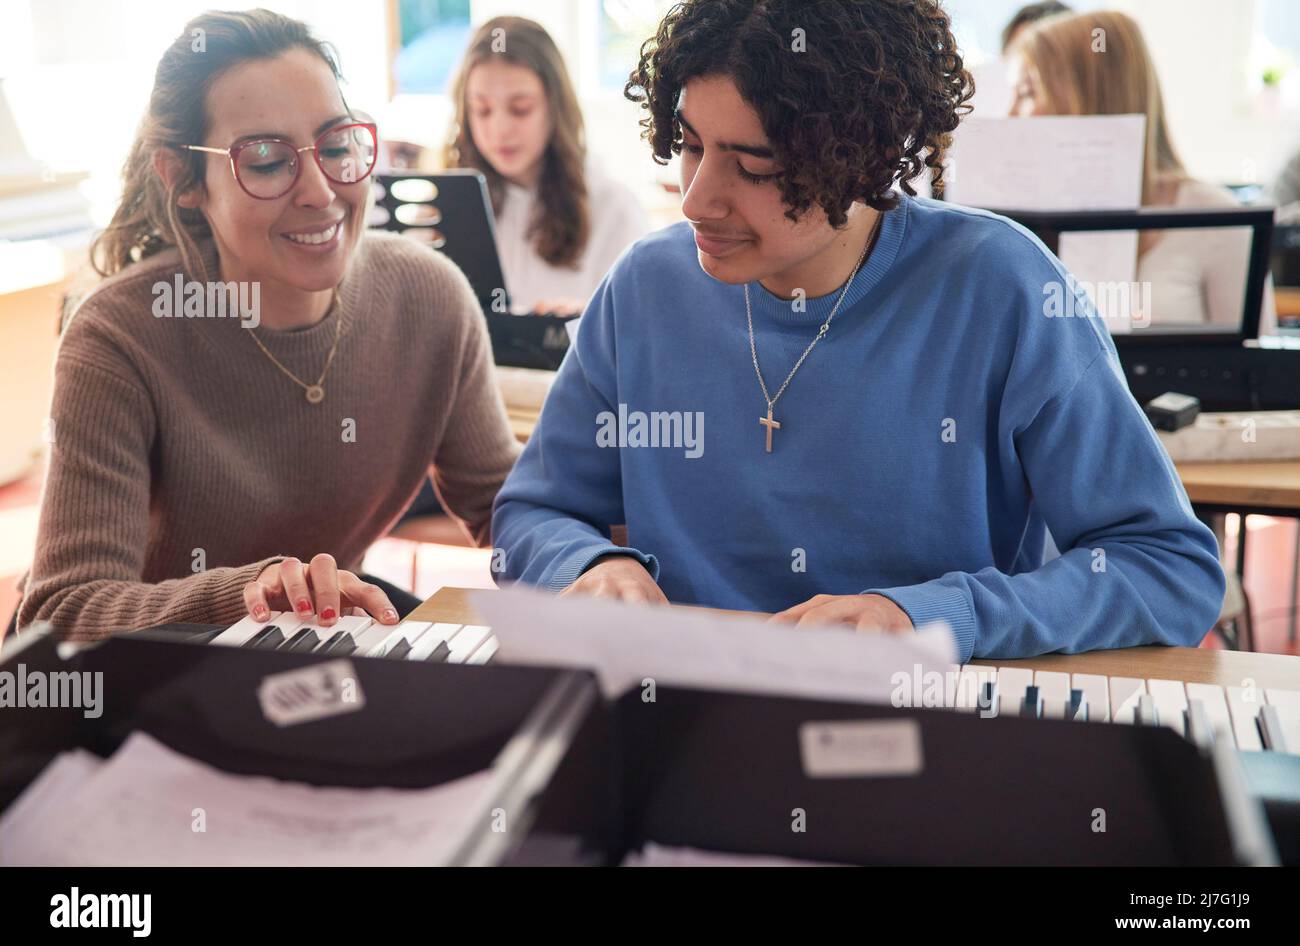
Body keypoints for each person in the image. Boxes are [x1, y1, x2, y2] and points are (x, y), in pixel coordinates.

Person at [489, 0, 1224, 661]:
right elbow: (534, 509)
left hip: (924, 725)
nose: (696, 199)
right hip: (680, 722)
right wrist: (589, 564)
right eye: (689, 145)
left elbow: (1166, 565)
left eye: (753, 165)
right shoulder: (646, 288)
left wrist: (932, 616)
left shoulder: (1001, 287)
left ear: (859, 158)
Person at [14, 10, 518, 641]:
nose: (319, 191)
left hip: (308, 656)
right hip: (149, 685)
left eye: (336, 146)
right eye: (266, 160)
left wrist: (628, 531)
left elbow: (506, 506)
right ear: (183, 179)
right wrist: (247, 596)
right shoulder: (118, 337)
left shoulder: (428, 295)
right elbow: (61, 613)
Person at [1009, 10, 1277, 333]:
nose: (1010, 115)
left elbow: (1261, 370)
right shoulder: (1022, 224)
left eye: (1027, 93)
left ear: (1087, 97)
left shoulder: (1218, 220)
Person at [443, 16, 649, 317]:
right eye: (482, 110)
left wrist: (589, 326)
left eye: (520, 109)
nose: (500, 130)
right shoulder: (451, 203)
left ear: (555, 106)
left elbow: (640, 331)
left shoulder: (613, 208)